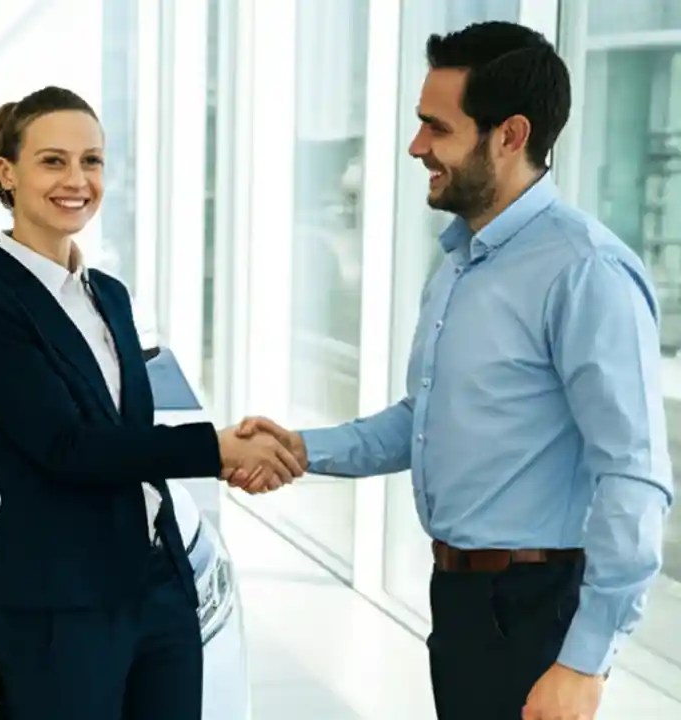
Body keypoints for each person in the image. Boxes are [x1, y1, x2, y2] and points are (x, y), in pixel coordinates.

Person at [231, 21, 674, 720]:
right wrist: (302, 449)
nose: (417, 147)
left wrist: (583, 663)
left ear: (510, 135)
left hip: (536, 612)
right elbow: (428, 419)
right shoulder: (462, 263)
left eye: (436, 128)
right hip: (465, 600)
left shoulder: (584, 272)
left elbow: (635, 476)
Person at [0, 86, 303, 720]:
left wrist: (230, 457)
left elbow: (127, 434)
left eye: (92, 161)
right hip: (67, 602)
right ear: (7, 172)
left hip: (157, 582)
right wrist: (215, 448)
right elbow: (66, 448)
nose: (76, 180)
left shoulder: (109, 295)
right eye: (53, 161)